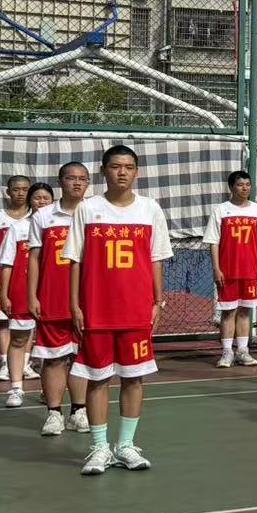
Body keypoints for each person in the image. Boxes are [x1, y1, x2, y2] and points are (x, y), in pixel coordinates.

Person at [65, 145, 172, 474]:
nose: (122, 172)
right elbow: (75, 260)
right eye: (115, 166)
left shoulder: (150, 209)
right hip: (97, 309)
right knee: (97, 379)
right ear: (103, 171)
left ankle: (125, 445)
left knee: (133, 378)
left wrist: (157, 302)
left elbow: (156, 259)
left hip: (136, 309)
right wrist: (75, 304)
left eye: (128, 167)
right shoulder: (88, 209)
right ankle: (100, 448)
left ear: (136, 172)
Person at [26, 163, 92, 435]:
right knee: (54, 358)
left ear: (88, 183)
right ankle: (54, 413)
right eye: (71, 178)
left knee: (81, 356)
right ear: (60, 181)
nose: (77, 183)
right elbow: (34, 258)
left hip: (89, 298)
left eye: (82, 179)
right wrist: (32, 295)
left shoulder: (96, 212)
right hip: (53, 296)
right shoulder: (43, 216)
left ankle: (79, 411)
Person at [204, 170, 257, 369]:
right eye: (240, 185)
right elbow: (213, 241)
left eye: (248, 184)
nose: (245, 188)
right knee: (228, 311)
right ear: (231, 187)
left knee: (245, 311)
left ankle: (242, 351)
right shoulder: (221, 210)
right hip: (228, 271)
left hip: (251, 270)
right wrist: (216, 268)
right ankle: (227, 352)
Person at [0, 181, 49, 407]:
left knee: (50, 342)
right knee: (19, 338)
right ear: (30, 200)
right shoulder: (18, 228)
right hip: (21, 292)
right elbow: (6, 263)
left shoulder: (59, 226)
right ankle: (16, 388)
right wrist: (5, 295)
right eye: (37, 197)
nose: (41, 201)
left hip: (51, 292)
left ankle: (49, 388)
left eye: (46, 198)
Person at [0, 175, 35, 384]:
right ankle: (5, 364)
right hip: (5, 276)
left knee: (28, 321)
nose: (21, 193)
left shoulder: (37, 217)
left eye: (25, 189)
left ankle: (25, 364)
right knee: (4, 320)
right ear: (8, 192)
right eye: (16, 189)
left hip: (29, 277)